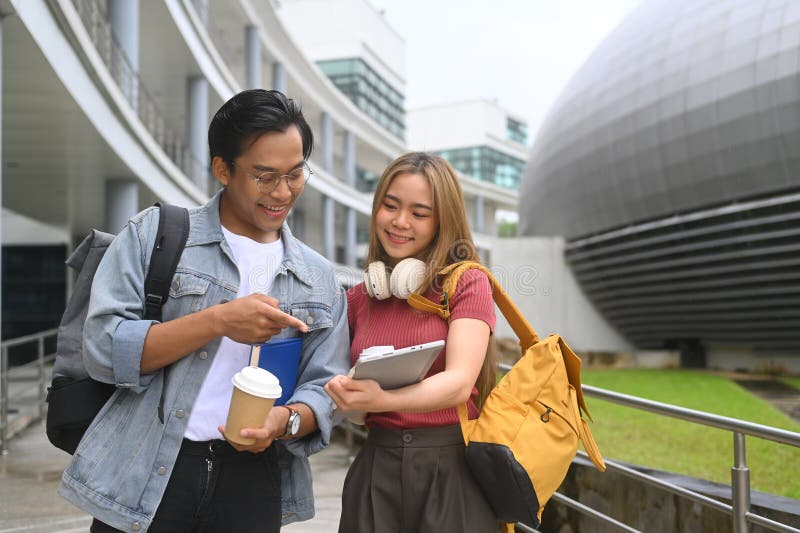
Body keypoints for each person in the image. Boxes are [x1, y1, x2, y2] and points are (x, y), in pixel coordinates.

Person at [59, 89, 350, 533]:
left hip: (253, 480)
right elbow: (102, 348)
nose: (282, 192)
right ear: (222, 169)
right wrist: (217, 321)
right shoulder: (154, 234)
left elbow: (325, 385)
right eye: (264, 176)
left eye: (295, 174)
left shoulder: (318, 276)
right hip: (148, 467)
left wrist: (285, 420)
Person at [325, 152, 500, 532]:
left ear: (442, 222)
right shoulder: (359, 299)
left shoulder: (467, 283)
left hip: (451, 470)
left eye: (419, 214)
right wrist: (346, 394)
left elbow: (459, 383)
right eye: (390, 206)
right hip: (376, 466)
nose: (400, 222)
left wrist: (383, 400)